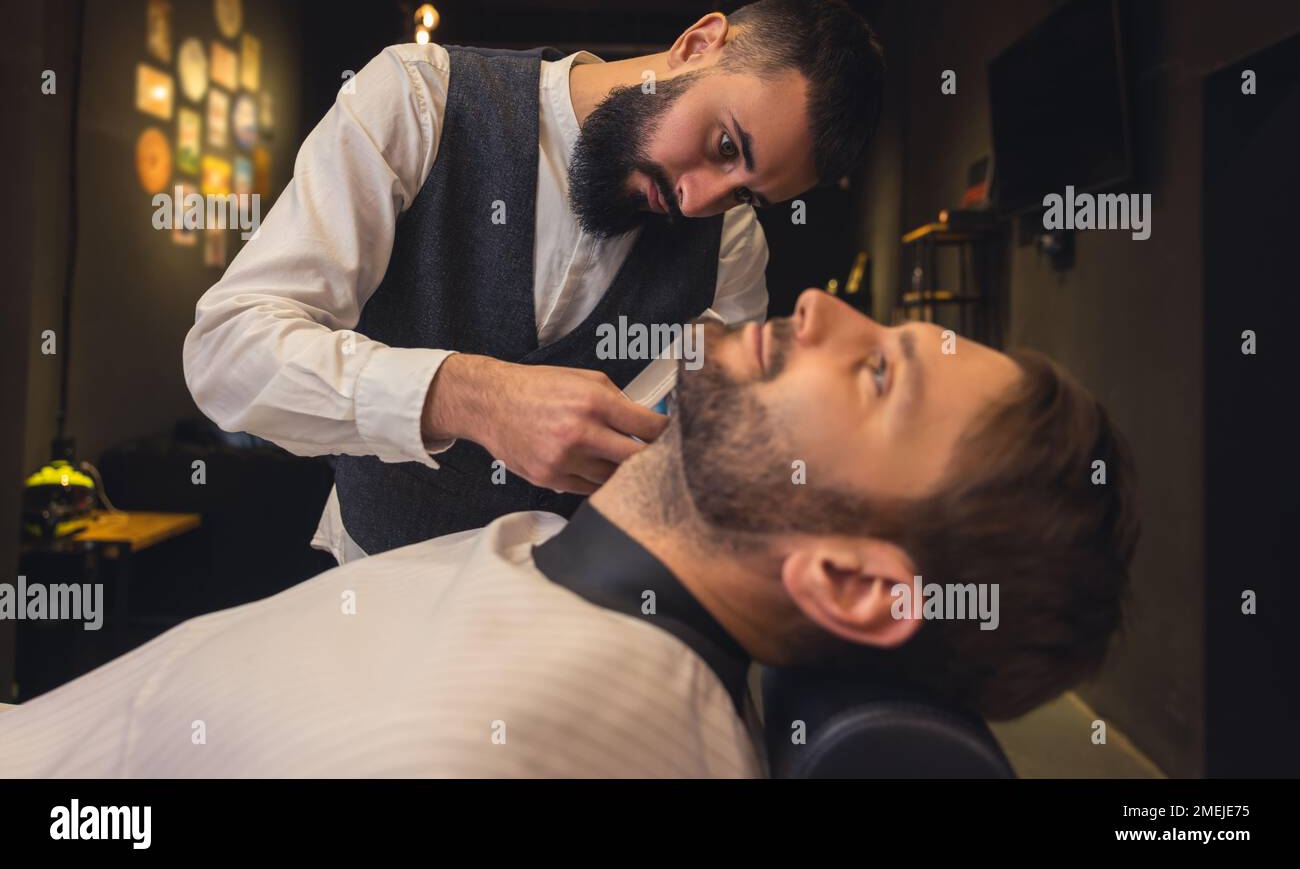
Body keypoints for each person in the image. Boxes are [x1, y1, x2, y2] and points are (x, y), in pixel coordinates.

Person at [0, 291, 1138, 777]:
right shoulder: (543, 555)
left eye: (876, 372)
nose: (819, 311)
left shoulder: (470, 756)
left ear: (847, 581)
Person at [182, 0, 886, 560]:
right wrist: (470, 395)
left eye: (744, 191)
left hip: (564, 634)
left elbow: (699, 472)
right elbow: (226, 353)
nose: (700, 200)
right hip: (373, 599)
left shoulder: (729, 247)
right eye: (724, 145)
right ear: (698, 43)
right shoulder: (419, 100)